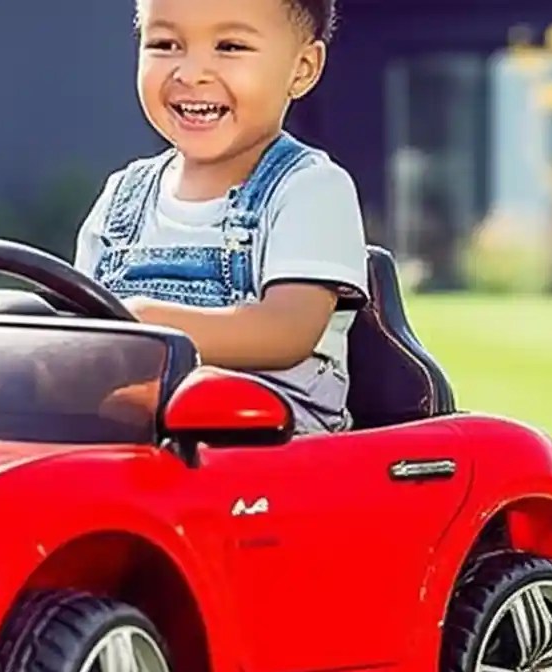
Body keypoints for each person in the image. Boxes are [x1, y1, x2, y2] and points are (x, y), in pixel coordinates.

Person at [73, 0, 370, 434]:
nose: (191, 73)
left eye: (229, 46)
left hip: (269, 452)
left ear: (302, 68)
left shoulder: (310, 188)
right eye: (165, 43)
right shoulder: (123, 197)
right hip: (138, 438)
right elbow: (80, 326)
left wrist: (144, 326)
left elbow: (286, 332)